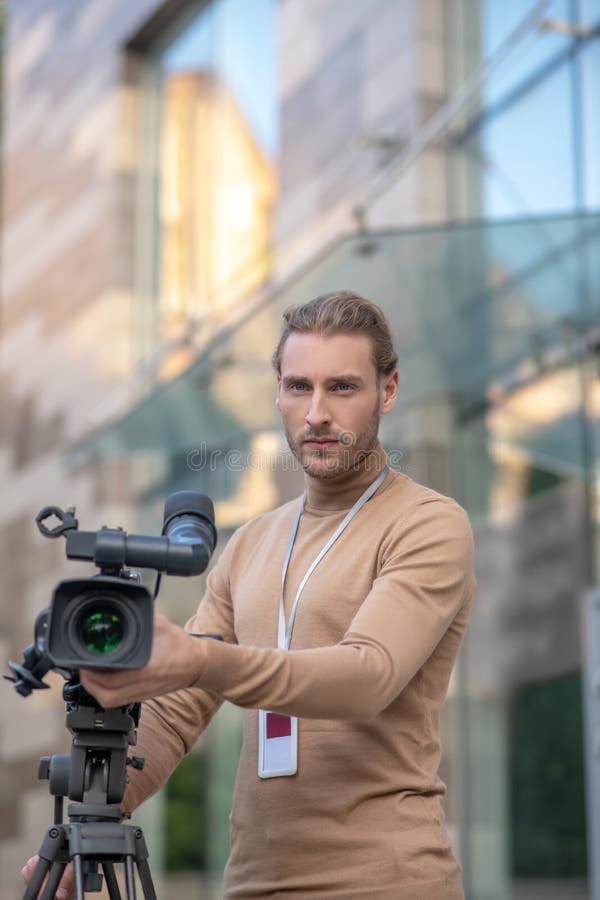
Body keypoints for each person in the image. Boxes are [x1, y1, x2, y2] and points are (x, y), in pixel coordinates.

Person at [23, 292, 475, 899]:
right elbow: (177, 711)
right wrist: (93, 819)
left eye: (342, 387)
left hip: (387, 881)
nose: (316, 413)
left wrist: (200, 659)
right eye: (298, 387)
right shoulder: (251, 542)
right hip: (251, 884)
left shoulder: (428, 523)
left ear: (387, 391)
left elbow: (369, 675)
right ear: (279, 393)